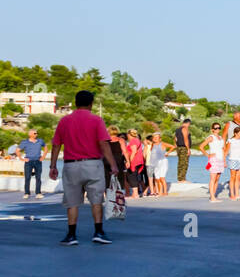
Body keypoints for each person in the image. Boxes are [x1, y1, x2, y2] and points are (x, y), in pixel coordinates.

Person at [48, 90, 121, 245]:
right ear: (91, 104)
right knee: (96, 200)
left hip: (71, 165)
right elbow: (103, 144)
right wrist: (113, 164)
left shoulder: (64, 121)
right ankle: (98, 232)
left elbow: (56, 145)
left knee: (72, 201)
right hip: (92, 164)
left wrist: (53, 166)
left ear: (75, 103)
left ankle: (71, 235)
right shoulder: (96, 120)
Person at [200, 122, 225, 202]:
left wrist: (224, 161)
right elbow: (201, 147)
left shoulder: (221, 138)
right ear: (212, 129)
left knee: (217, 178)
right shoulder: (211, 137)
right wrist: (208, 155)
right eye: (216, 128)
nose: (218, 129)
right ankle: (212, 197)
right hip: (213, 160)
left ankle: (213, 196)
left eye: (219, 128)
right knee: (213, 178)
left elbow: (222, 149)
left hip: (220, 159)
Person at [18, 128, 45, 199]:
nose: (36, 134)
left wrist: (43, 157)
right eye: (35, 133)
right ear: (30, 134)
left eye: (37, 133)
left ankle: (38, 193)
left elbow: (46, 148)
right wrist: (22, 158)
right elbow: (17, 150)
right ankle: (27, 193)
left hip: (38, 161)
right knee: (27, 178)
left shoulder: (40, 141)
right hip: (28, 162)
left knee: (38, 178)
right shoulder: (24, 142)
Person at [225, 124, 240, 200]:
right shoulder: (230, 141)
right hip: (232, 160)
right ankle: (232, 194)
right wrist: (224, 161)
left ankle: (237, 194)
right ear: (235, 133)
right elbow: (226, 151)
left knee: (238, 178)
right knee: (232, 178)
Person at [124, 129, 147, 198]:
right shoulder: (137, 140)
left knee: (132, 176)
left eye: (127, 135)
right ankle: (135, 193)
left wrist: (129, 161)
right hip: (139, 160)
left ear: (129, 134)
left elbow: (134, 151)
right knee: (134, 176)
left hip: (134, 161)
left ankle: (135, 193)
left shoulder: (133, 141)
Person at [148, 132, 170, 196]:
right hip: (155, 163)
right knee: (157, 178)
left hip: (163, 162)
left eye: (157, 137)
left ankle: (165, 192)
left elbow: (173, 146)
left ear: (160, 139)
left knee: (162, 178)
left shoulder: (162, 143)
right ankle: (160, 192)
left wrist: (167, 152)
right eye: (154, 137)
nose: (155, 139)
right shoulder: (152, 145)